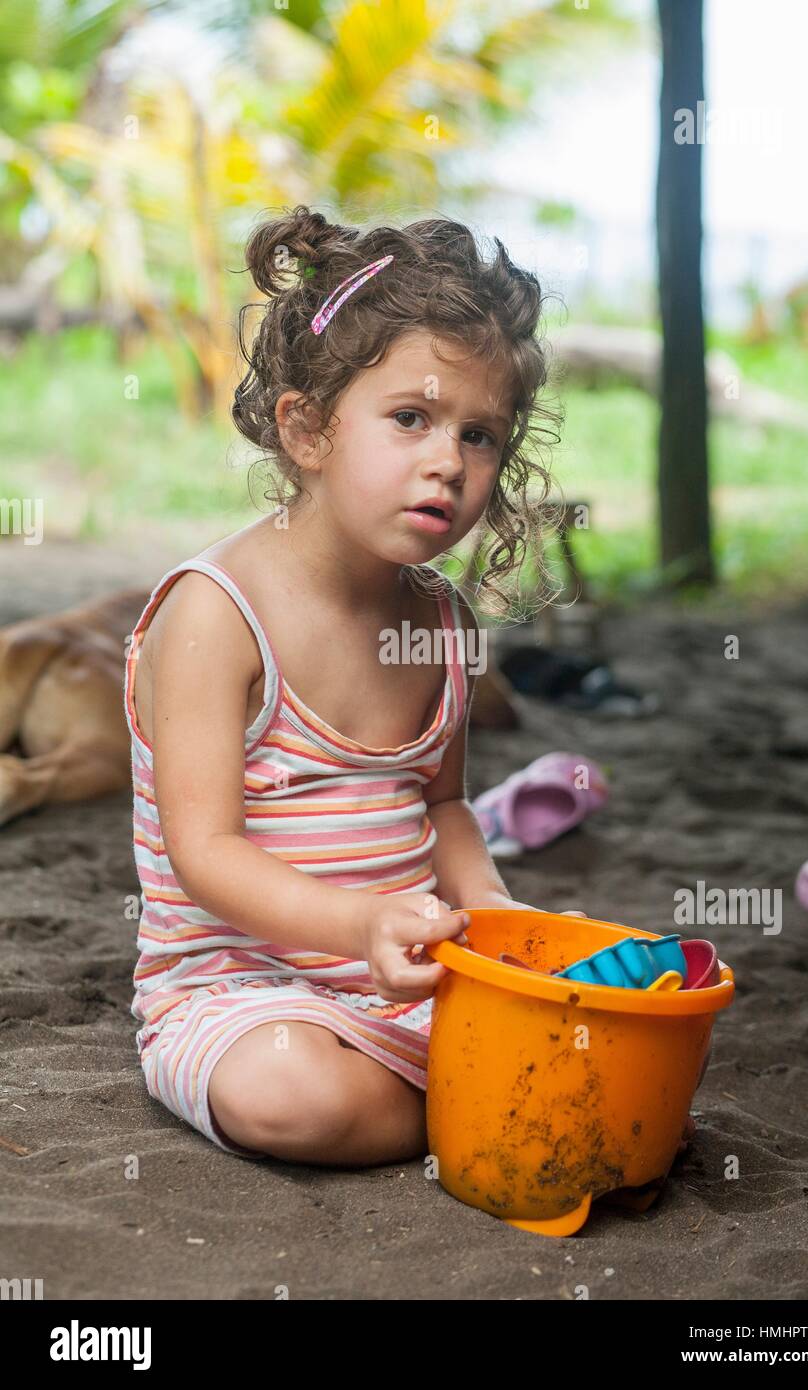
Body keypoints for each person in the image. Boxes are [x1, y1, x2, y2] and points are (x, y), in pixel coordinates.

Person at [123, 204, 568, 1166]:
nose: (447, 461)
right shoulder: (216, 614)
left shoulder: (441, 623)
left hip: (413, 982)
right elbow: (205, 852)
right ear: (308, 428)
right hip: (245, 997)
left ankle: (473, 1095)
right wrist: (359, 924)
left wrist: (498, 916)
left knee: (601, 1016)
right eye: (410, 418)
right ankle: (473, 1108)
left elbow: (442, 807)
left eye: (480, 434)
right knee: (291, 1096)